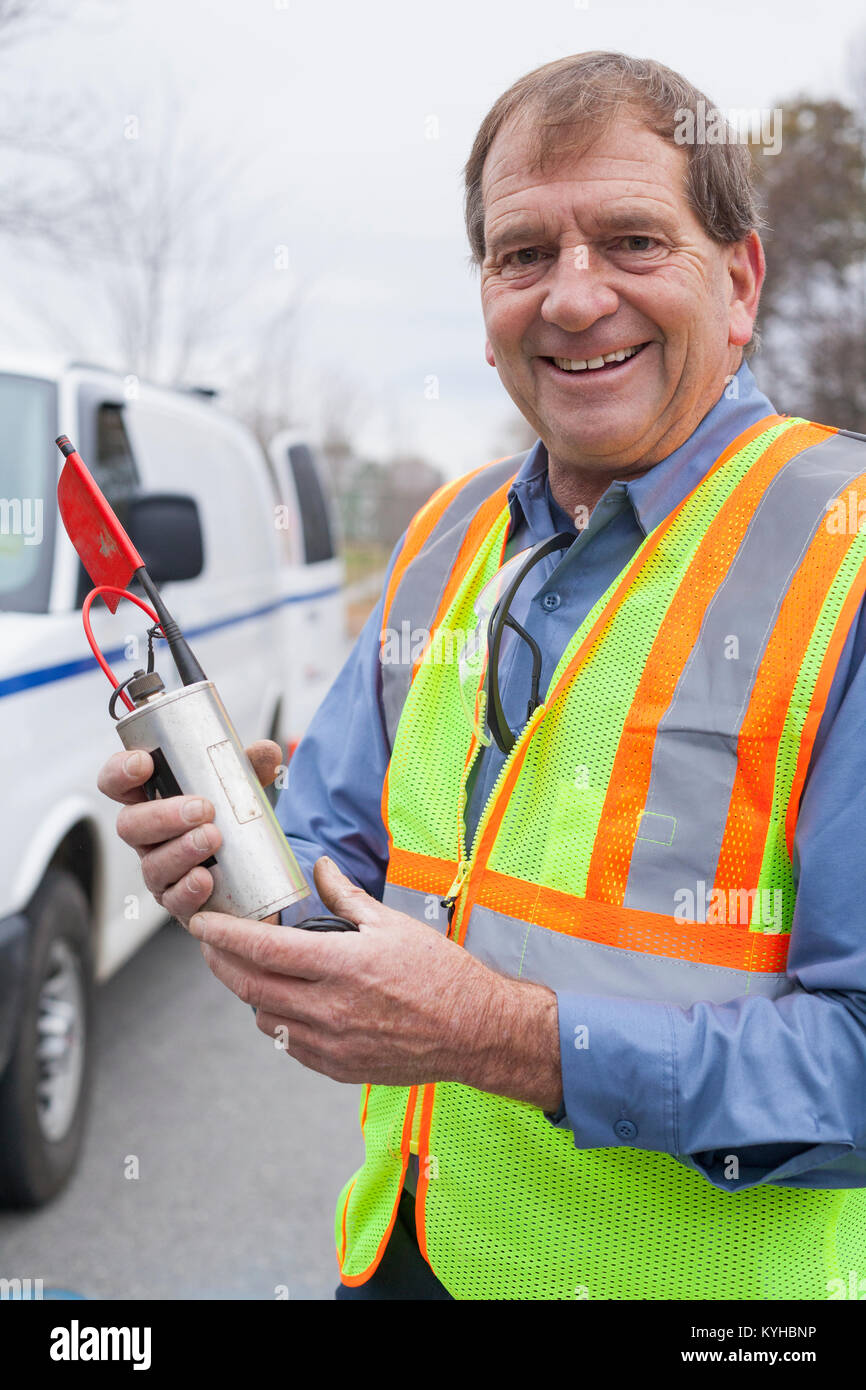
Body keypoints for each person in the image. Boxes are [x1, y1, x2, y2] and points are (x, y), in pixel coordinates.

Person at [97, 52, 866, 1301]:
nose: (571, 300)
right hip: (400, 1260)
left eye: (628, 241)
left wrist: (503, 1038)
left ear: (737, 281)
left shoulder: (849, 551)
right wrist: (230, 852)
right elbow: (333, 863)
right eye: (522, 255)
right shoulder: (446, 534)